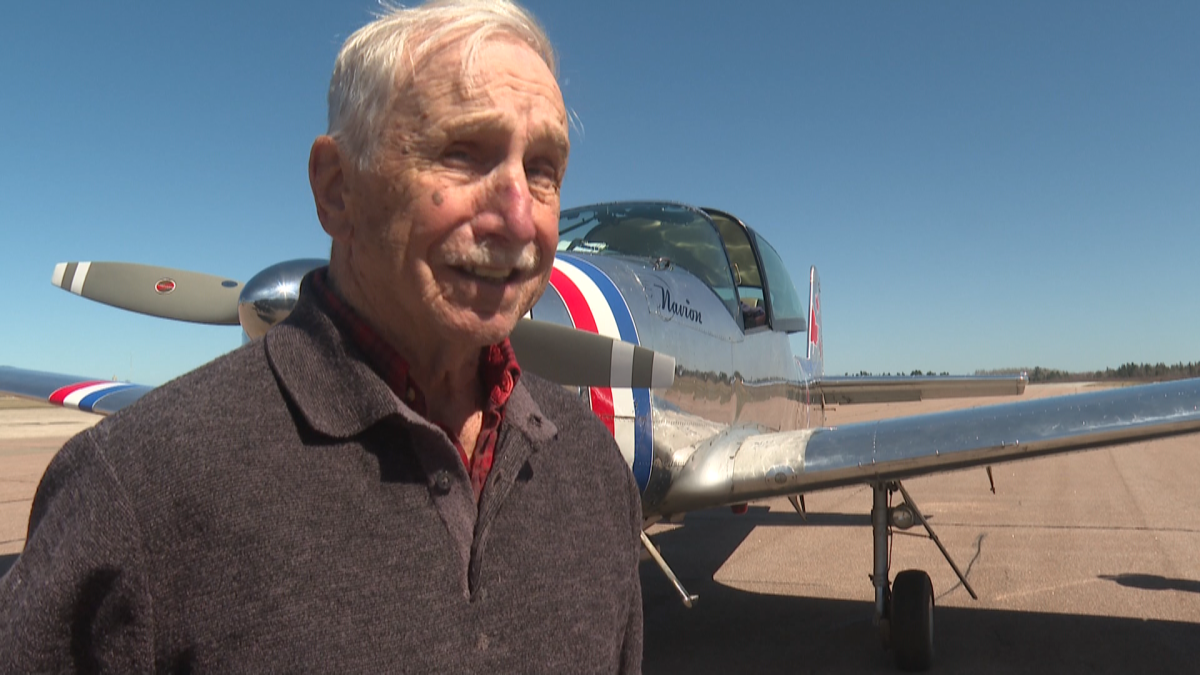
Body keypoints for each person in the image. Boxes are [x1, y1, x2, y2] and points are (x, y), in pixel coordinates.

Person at [0, 1, 643, 672]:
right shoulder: (134, 486)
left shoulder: (596, 475)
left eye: (543, 169)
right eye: (461, 153)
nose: (518, 218)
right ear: (337, 189)